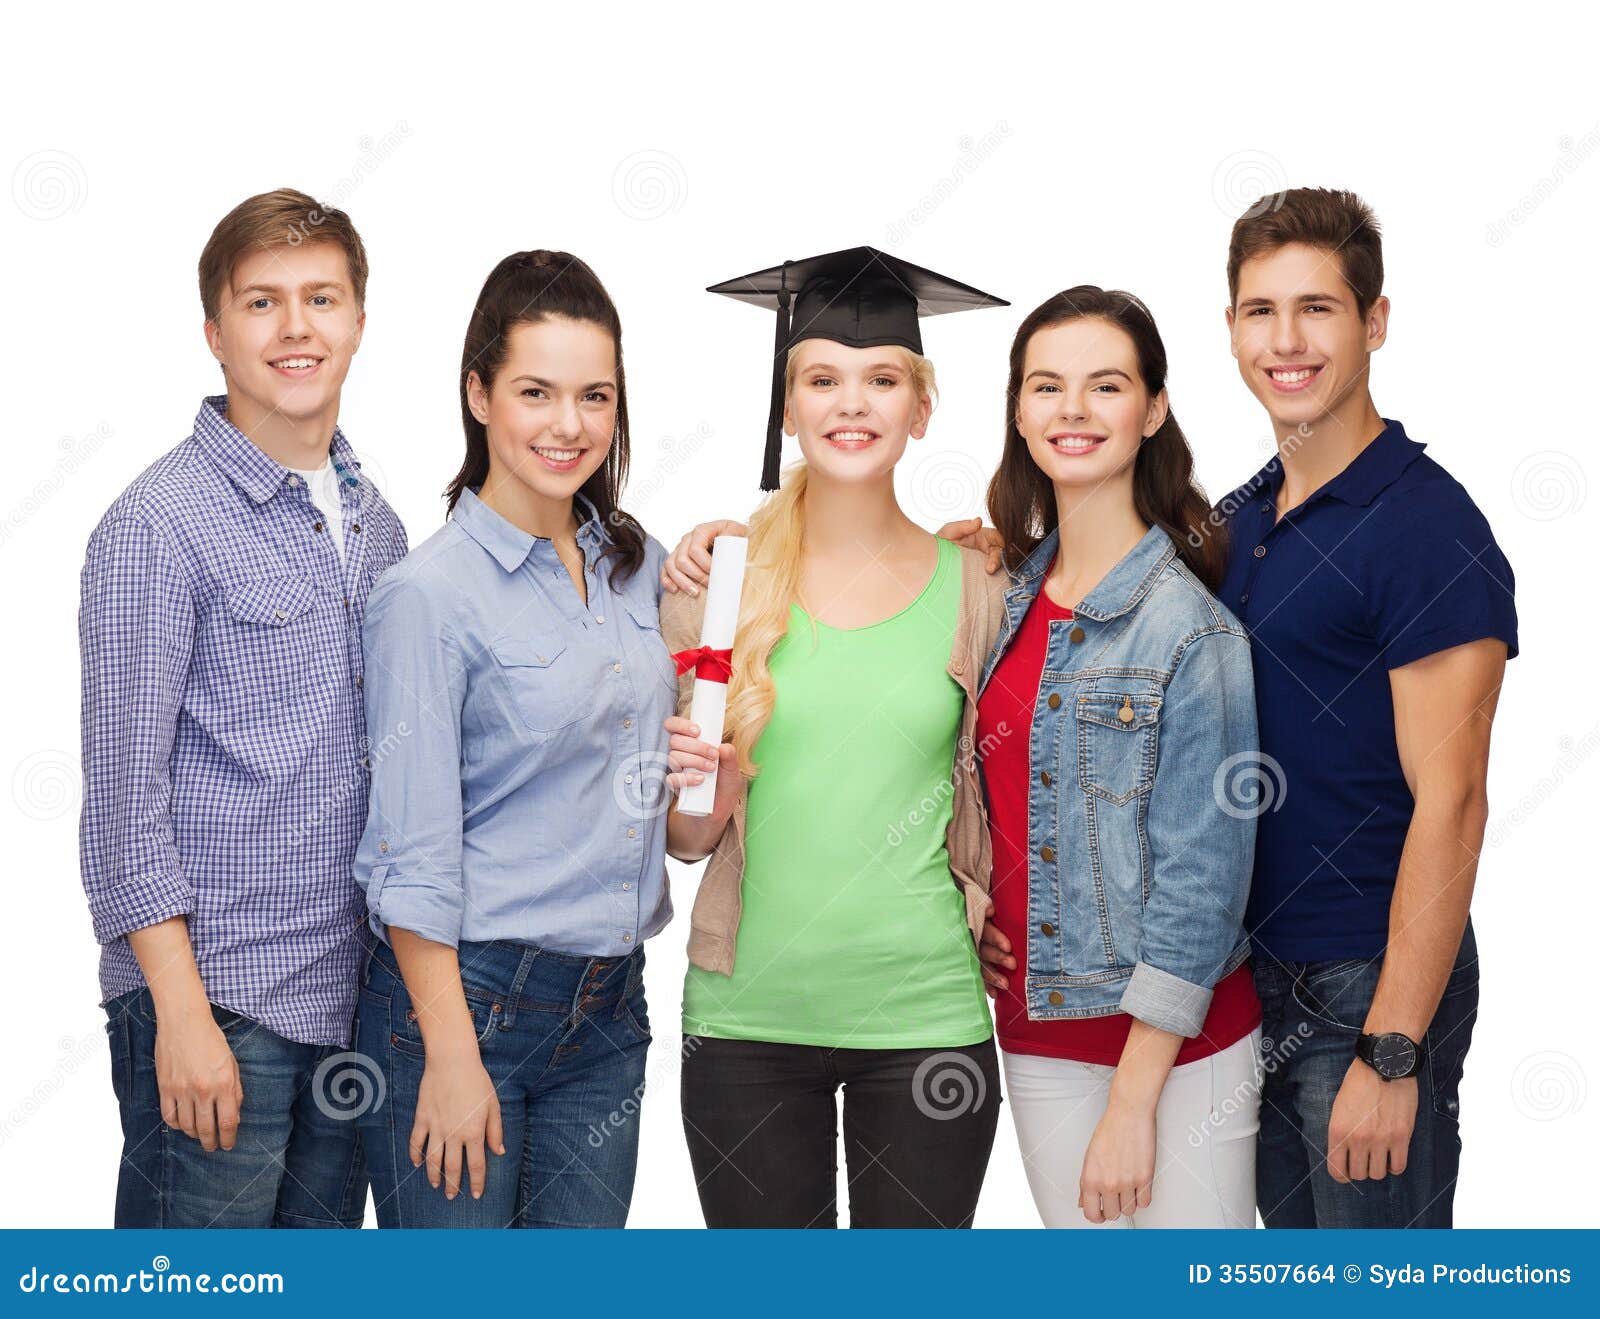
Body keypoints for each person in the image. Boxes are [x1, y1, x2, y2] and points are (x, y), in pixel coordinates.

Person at [659, 247, 1010, 1228]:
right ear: (788, 406)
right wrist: (711, 799)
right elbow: (687, 839)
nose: (849, 404)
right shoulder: (720, 587)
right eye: (821, 379)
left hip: (925, 1018)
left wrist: (1000, 913)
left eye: (881, 379)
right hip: (746, 1025)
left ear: (921, 408)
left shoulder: (978, 585)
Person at [78, 188, 406, 1227]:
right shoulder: (156, 525)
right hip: (217, 1001)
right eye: (263, 302)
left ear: (359, 321)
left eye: (322, 297)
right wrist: (178, 1011)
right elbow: (125, 801)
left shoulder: (379, 527)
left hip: (346, 1003)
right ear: (216, 332)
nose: (296, 326)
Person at [1212, 188, 1516, 1227]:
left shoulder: (1425, 526)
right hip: (1256, 981)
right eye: (1260, 311)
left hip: (1365, 988)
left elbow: (1456, 802)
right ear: (1231, 328)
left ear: (1374, 321)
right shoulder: (1244, 514)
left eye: (1317, 309)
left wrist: (1392, 1046)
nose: (1284, 340)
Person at [351, 251, 673, 1228]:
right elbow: (410, 849)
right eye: (536, 391)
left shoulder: (637, 564)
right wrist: (450, 1055)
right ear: (479, 392)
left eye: (594, 396)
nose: (568, 425)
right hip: (468, 1002)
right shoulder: (428, 595)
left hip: (610, 1010)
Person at [971, 287, 1261, 1227]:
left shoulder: (1190, 628)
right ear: (1019, 410)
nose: (1073, 411)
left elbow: (1203, 880)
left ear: (1153, 408)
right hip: (1038, 1033)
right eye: (1047, 386)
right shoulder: (1004, 600)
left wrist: (1135, 1103)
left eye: (1105, 386)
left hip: (1179, 1051)